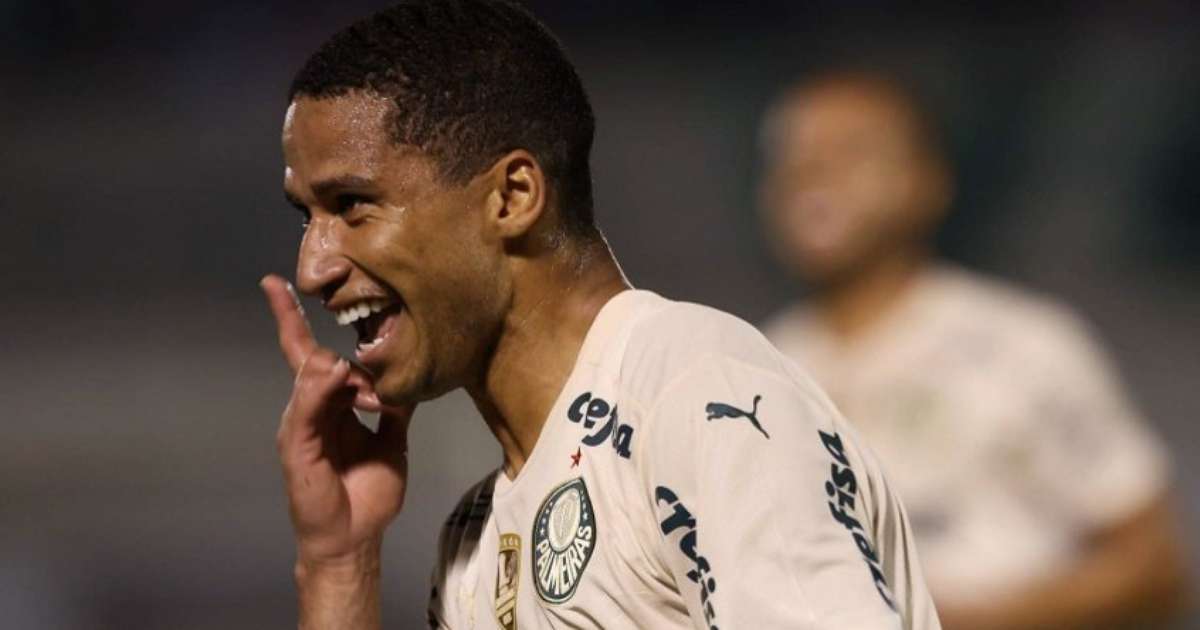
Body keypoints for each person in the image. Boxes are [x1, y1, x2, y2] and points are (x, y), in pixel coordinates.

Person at [260, 2, 942, 629]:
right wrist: (338, 565)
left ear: (512, 196)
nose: (312, 268)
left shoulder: (703, 397)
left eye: (351, 205)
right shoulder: (475, 539)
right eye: (307, 217)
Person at [758, 70, 1190, 630]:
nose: (811, 171)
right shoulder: (752, 370)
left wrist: (959, 620)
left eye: (852, 151)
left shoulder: (1023, 345)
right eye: (790, 156)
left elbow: (1156, 569)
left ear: (926, 183)